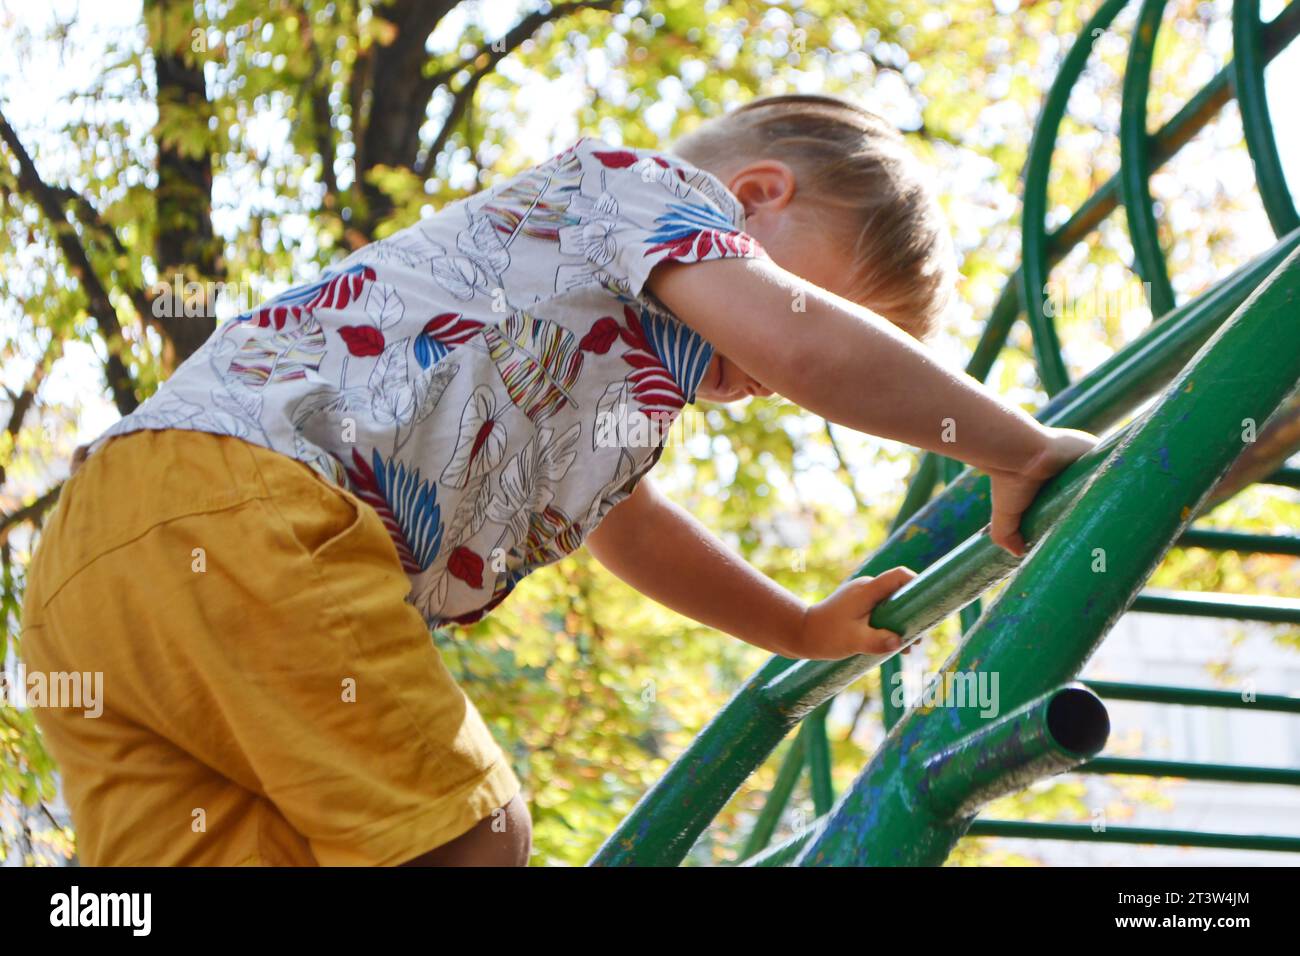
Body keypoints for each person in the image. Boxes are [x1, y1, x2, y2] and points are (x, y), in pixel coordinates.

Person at [20, 94, 1098, 867]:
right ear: (756, 201)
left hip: (96, 574)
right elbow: (812, 349)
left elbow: (628, 531)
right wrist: (1018, 445)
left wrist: (795, 626)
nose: (773, 381)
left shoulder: (614, 392)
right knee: (472, 837)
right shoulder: (636, 191)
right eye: (825, 306)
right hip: (252, 507)